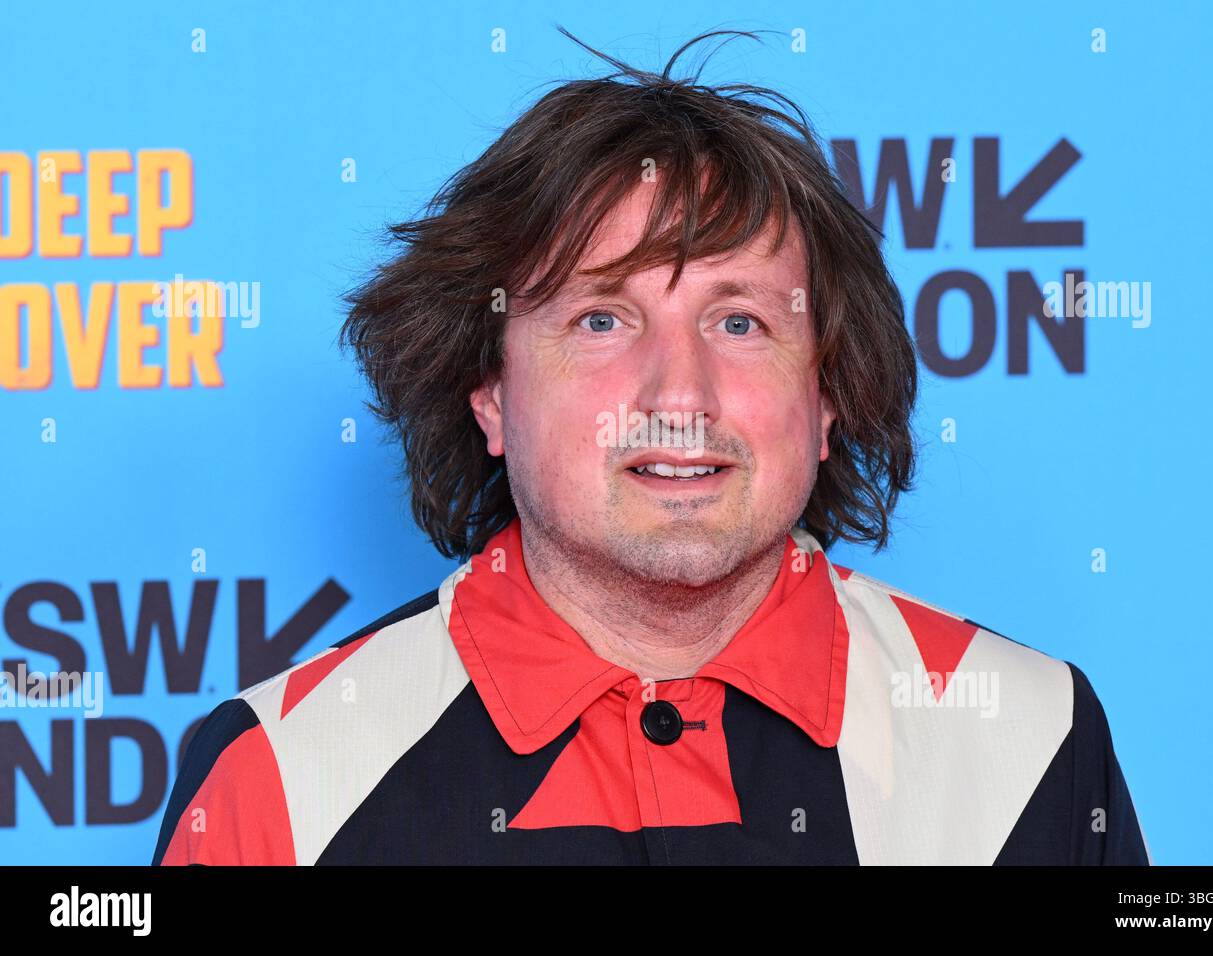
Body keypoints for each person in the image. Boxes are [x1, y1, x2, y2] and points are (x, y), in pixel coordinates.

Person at [152, 28, 1150, 866]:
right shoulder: (281, 775)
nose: (681, 394)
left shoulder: (1027, 738)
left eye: (741, 323)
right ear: (489, 394)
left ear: (827, 394)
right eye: (600, 321)